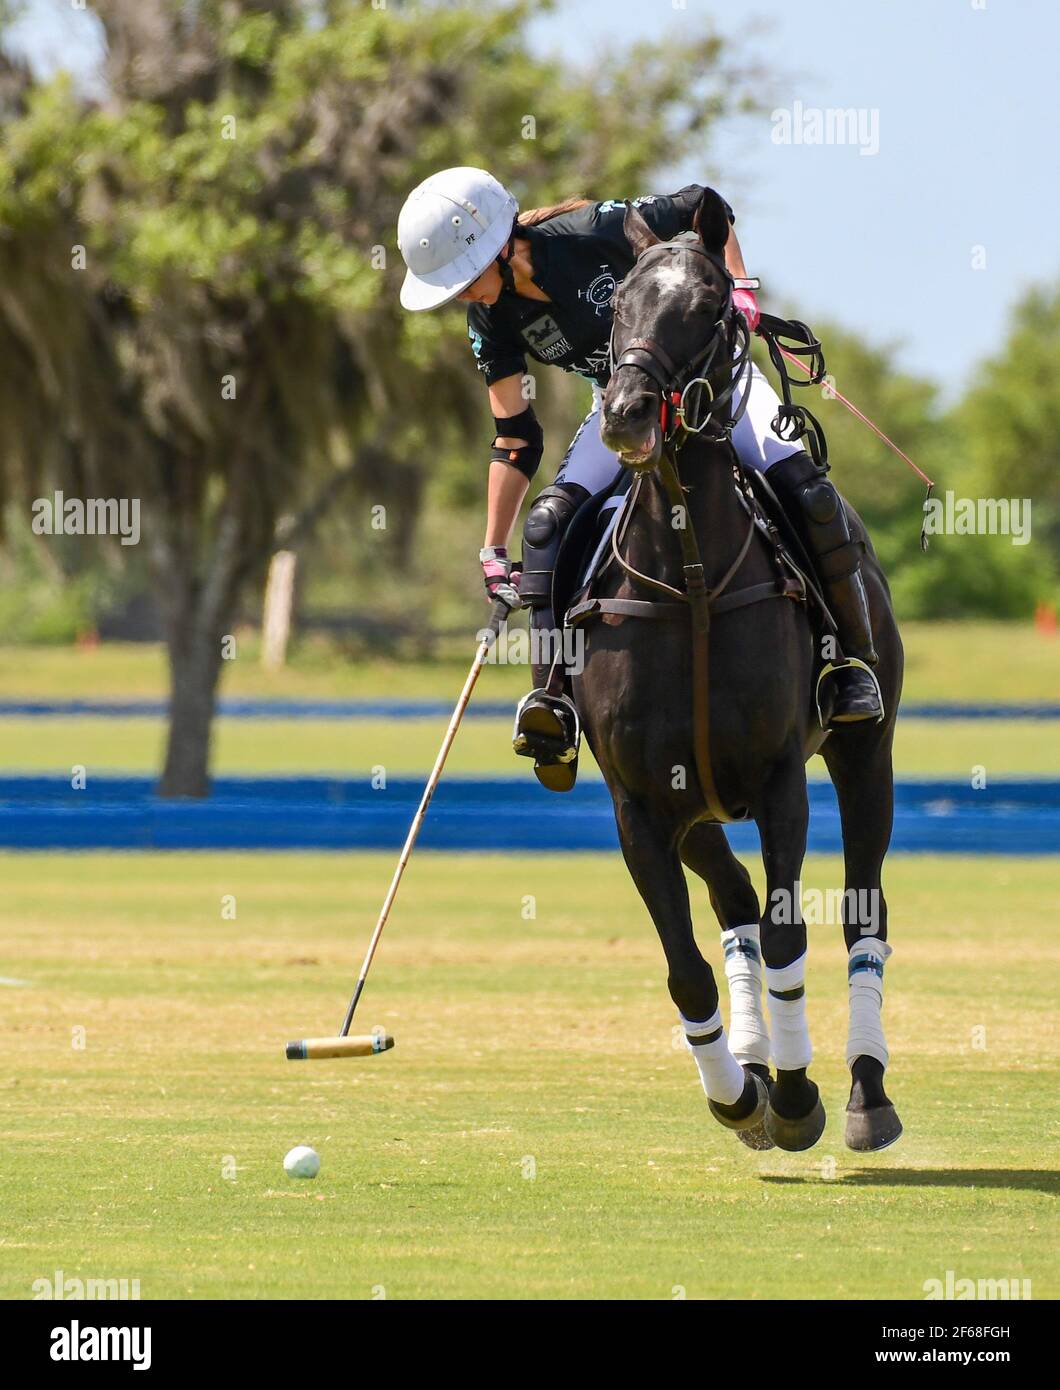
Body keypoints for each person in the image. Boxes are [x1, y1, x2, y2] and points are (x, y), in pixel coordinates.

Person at [396, 167, 882, 788]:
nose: (463, 296)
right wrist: (493, 546)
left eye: (463, 281)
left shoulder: (590, 231)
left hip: (715, 388)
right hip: (623, 410)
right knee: (546, 525)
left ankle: (849, 663)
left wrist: (740, 289)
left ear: (494, 246)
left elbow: (707, 204)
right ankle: (553, 702)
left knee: (808, 493)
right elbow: (516, 438)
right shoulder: (490, 319)